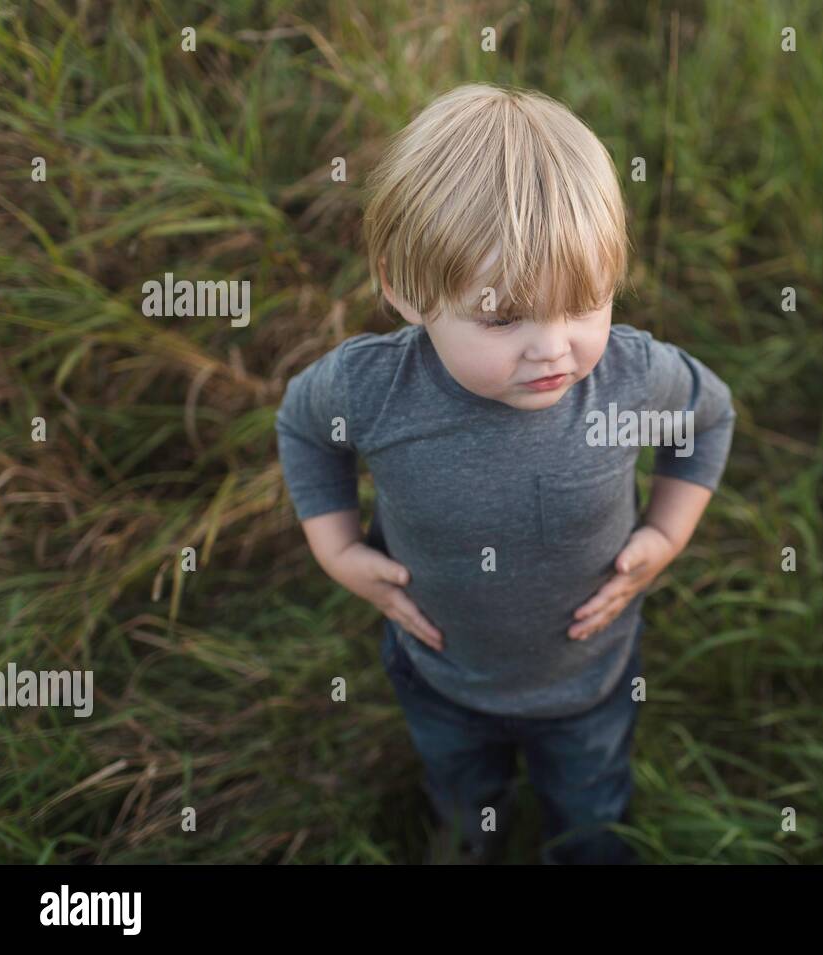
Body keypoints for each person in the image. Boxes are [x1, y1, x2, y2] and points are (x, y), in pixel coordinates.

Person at [275, 83, 736, 864]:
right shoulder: (374, 390)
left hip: (588, 676)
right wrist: (337, 548)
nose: (552, 347)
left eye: (585, 304)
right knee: (460, 804)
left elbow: (708, 418)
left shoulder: (627, 377)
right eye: (503, 317)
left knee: (591, 815)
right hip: (439, 671)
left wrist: (667, 530)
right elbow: (304, 426)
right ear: (406, 290)